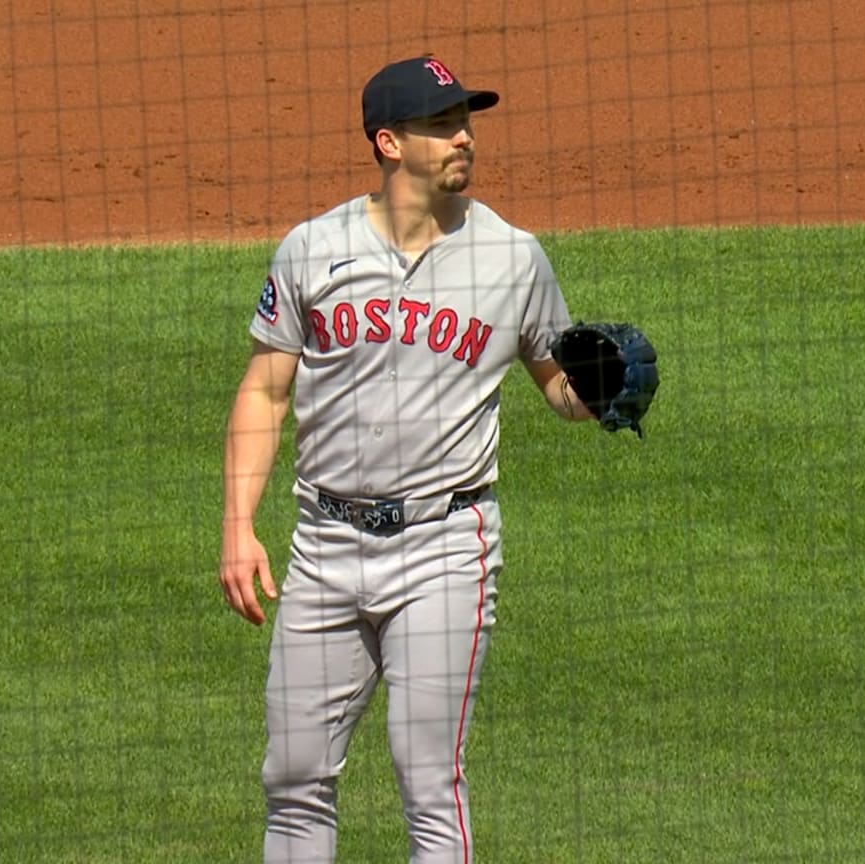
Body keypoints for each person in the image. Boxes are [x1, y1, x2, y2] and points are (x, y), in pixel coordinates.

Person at [218, 55, 593, 864]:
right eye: (441, 124)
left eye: (465, 121)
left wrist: (596, 392)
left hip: (445, 548)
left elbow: (558, 386)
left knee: (428, 780)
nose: (464, 137)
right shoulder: (312, 249)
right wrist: (237, 526)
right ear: (388, 142)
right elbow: (265, 391)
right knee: (293, 777)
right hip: (324, 547)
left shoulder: (513, 258)